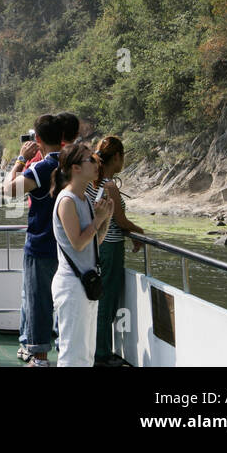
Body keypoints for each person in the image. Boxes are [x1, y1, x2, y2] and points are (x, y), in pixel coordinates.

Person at [1, 113, 64, 366]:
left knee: (39, 302)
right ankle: (67, 353)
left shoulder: (42, 167)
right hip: (71, 248)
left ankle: (39, 358)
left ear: (37, 139)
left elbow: (9, 191)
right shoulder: (75, 163)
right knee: (64, 304)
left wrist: (20, 160)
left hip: (41, 245)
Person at [51, 142, 113, 366]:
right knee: (72, 352)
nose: (96, 164)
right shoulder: (67, 201)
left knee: (86, 353)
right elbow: (77, 243)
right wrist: (97, 220)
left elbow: (93, 243)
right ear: (76, 168)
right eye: (90, 160)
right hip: (72, 285)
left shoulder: (84, 199)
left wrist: (104, 218)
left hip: (86, 283)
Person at [89, 135, 144, 365]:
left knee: (98, 300)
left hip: (96, 247)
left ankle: (96, 349)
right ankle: (101, 353)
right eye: (124, 157)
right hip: (110, 247)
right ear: (117, 157)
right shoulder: (109, 186)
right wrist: (140, 231)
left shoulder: (93, 182)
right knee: (106, 300)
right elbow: (120, 221)